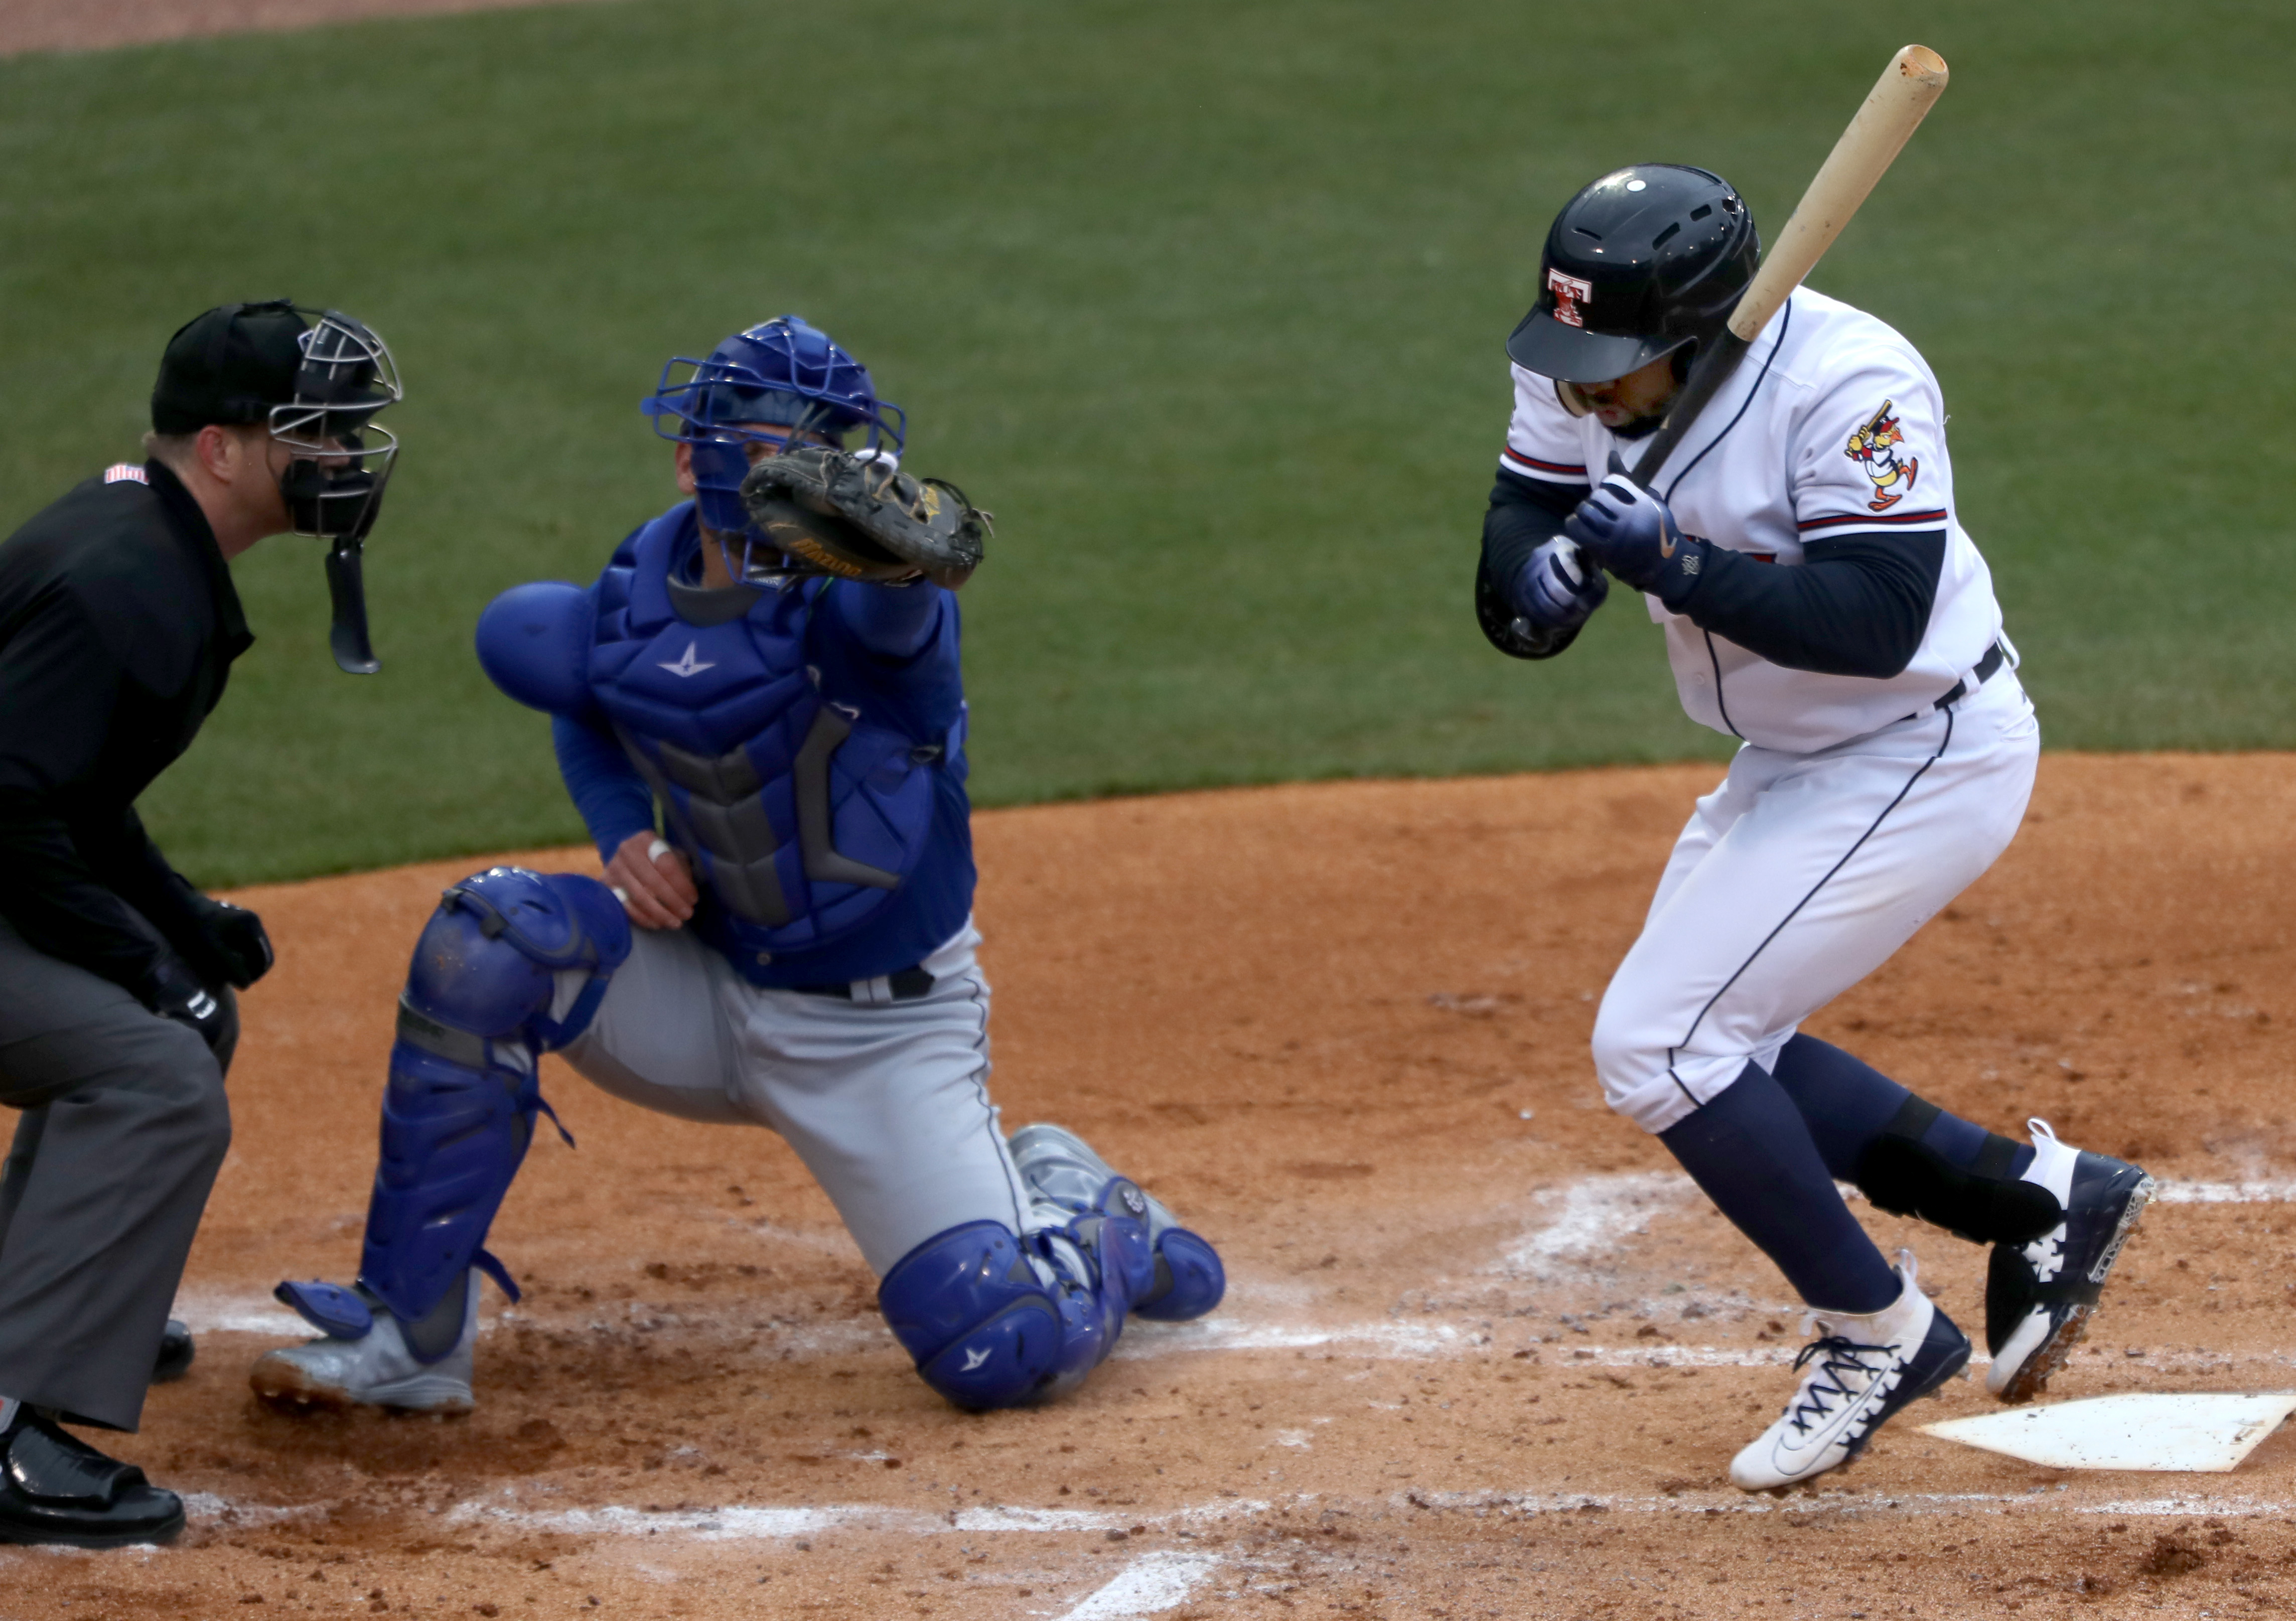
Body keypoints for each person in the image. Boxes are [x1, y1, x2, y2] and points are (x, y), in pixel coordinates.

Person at [251, 317, 1224, 1417]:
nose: (798, 480)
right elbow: (590, 705)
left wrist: (902, 565)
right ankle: (410, 1331)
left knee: (1000, 1343)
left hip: (882, 1035)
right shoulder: (634, 585)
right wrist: (622, 831)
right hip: (707, 991)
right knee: (494, 936)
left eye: (823, 455)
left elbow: (900, 615)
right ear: (692, 456)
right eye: (770, 451)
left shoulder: (869, 605)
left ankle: (1085, 1207)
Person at [1478, 166, 2153, 1492]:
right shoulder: (1584, 372)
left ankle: (1877, 1330)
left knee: (1660, 1041)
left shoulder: (1851, 386)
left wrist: (1673, 565)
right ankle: (2035, 1201)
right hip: (1789, 757)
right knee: (1726, 1038)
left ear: (1699, 330)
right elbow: (1523, 514)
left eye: (1618, 369)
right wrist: (1534, 590)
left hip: (1921, 748)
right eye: (1575, 365)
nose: (1590, 394)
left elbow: (1876, 623)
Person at [0, 300, 402, 1544]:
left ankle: (46, 1305)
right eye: (314, 434)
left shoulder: (148, 535)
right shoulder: (125, 581)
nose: (341, 457)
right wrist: (140, 961)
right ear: (223, 449)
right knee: (161, 1071)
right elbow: (9, 807)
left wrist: (177, 921)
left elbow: (75, 791)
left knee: (182, 1004)